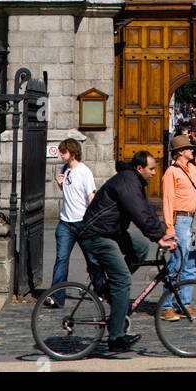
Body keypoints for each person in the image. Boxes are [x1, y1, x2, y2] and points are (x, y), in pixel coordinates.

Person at [79, 150, 178, 353]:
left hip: (112, 230)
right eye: (151, 169)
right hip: (97, 234)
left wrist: (163, 233)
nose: (153, 173)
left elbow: (147, 209)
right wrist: (158, 238)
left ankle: (111, 288)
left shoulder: (134, 181)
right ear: (140, 168)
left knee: (141, 248)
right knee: (123, 280)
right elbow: (138, 213)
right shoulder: (127, 183)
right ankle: (116, 337)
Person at [160, 133, 196, 322]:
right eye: (188, 148)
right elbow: (167, 202)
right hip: (181, 221)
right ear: (180, 152)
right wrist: (169, 228)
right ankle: (166, 305)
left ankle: (184, 304)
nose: (192, 150)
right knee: (177, 263)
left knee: (192, 263)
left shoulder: (192, 168)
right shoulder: (171, 173)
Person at [50, 138, 96, 304]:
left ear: (72, 153)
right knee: (61, 259)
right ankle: (56, 296)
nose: (61, 155)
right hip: (65, 223)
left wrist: (92, 222)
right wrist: (60, 185)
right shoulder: (65, 169)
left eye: (64, 152)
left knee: (93, 260)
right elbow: (68, 192)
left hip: (82, 223)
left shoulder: (85, 172)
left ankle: (101, 290)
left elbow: (91, 197)